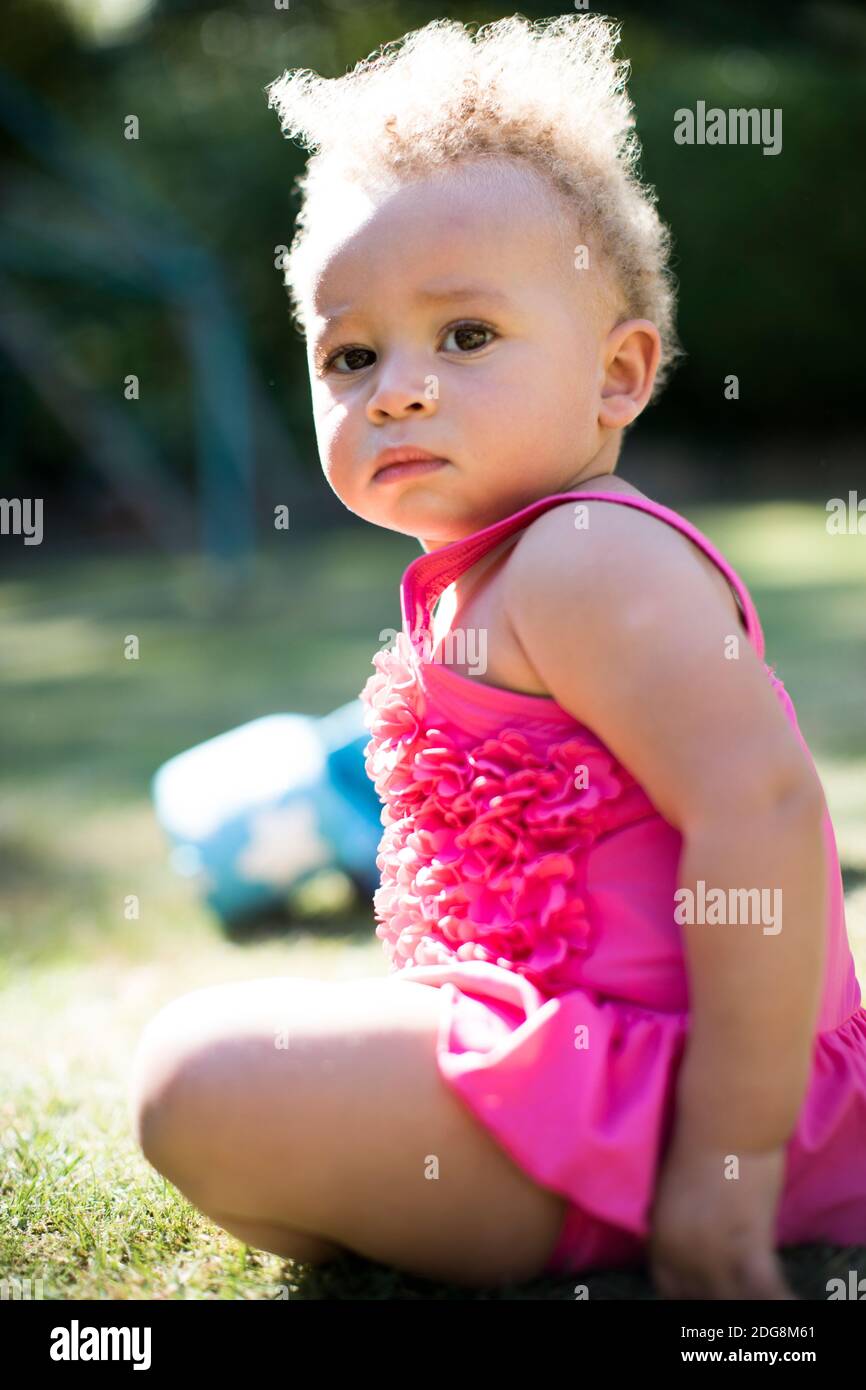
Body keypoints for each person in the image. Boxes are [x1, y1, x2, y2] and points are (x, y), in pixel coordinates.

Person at [127, 14, 866, 1298]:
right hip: (580, 1062)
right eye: (350, 355)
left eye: (464, 336)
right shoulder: (500, 565)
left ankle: (644, 1202)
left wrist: (727, 1163)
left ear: (618, 374)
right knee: (243, 1096)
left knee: (199, 1078)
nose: (397, 388)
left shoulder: (589, 554)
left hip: (690, 1096)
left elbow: (761, 817)